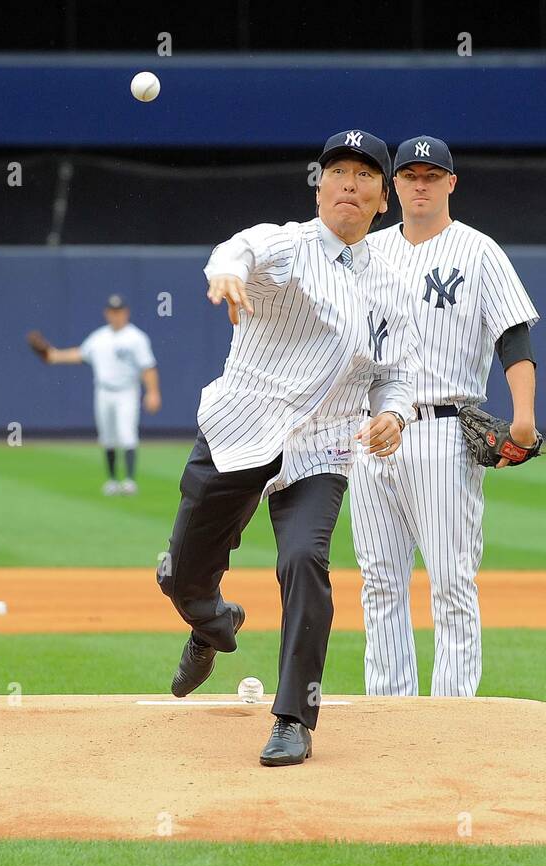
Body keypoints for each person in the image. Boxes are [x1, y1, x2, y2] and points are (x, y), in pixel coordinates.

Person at [156, 129, 422, 767]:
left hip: (321, 447)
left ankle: (293, 719)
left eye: (364, 176)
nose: (349, 185)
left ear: (383, 199)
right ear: (320, 184)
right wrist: (224, 274)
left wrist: (395, 414)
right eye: (338, 172)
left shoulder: (395, 283)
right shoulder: (291, 246)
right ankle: (212, 621)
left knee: (304, 561)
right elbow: (239, 249)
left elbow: (397, 373)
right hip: (241, 425)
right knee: (183, 573)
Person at [352, 136, 539, 698]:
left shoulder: (480, 252)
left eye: (431, 175)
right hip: (369, 432)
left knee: (451, 582)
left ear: (451, 183)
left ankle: (453, 715)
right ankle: (390, 706)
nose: (420, 183)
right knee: (380, 582)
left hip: (443, 431)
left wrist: (523, 417)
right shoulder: (365, 251)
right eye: (409, 175)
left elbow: (513, 336)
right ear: (394, 187)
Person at [28, 294, 161, 494]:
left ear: (126, 312)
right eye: (112, 312)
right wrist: (53, 356)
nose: (116, 315)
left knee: (127, 434)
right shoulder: (99, 337)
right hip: (103, 391)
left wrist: (152, 392)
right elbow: (81, 353)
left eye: (120, 311)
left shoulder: (136, 338)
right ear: (107, 313)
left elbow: (148, 367)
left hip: (127, 391)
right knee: (107, 436)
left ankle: (130, 481)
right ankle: (113, 481)